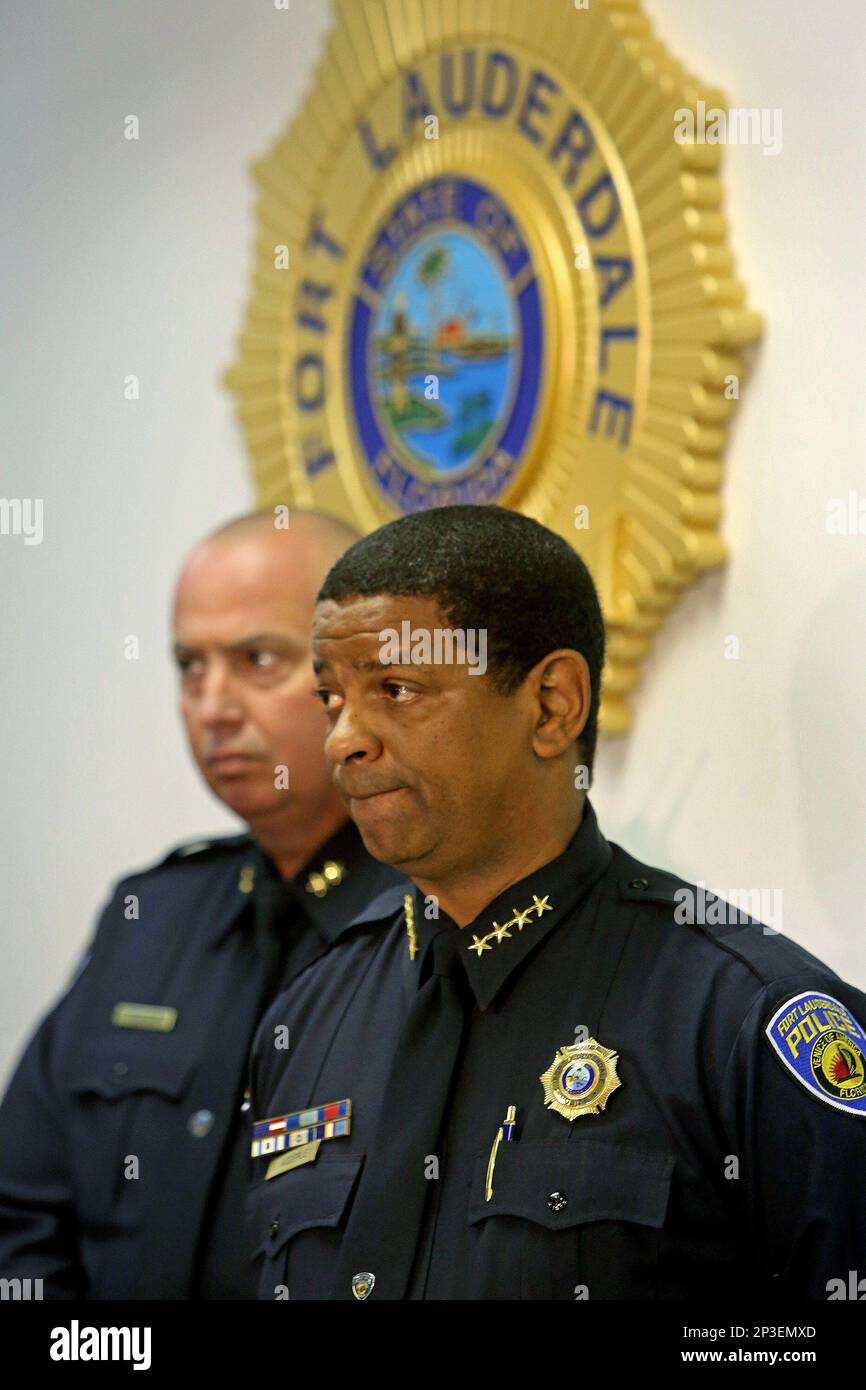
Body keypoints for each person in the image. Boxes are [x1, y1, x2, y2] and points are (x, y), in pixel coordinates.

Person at [248, 504, 866, 1301]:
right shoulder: (308, 1016)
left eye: (396, 689)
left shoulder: (747, 1018)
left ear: (551, 706)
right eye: (332, 699)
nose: (342, 739)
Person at [0, 510, 406, 1299]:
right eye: (191, 666)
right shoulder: (150, 919)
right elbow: (19, 1221)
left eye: (258, 659)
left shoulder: (440, 929)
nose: (211, 706)